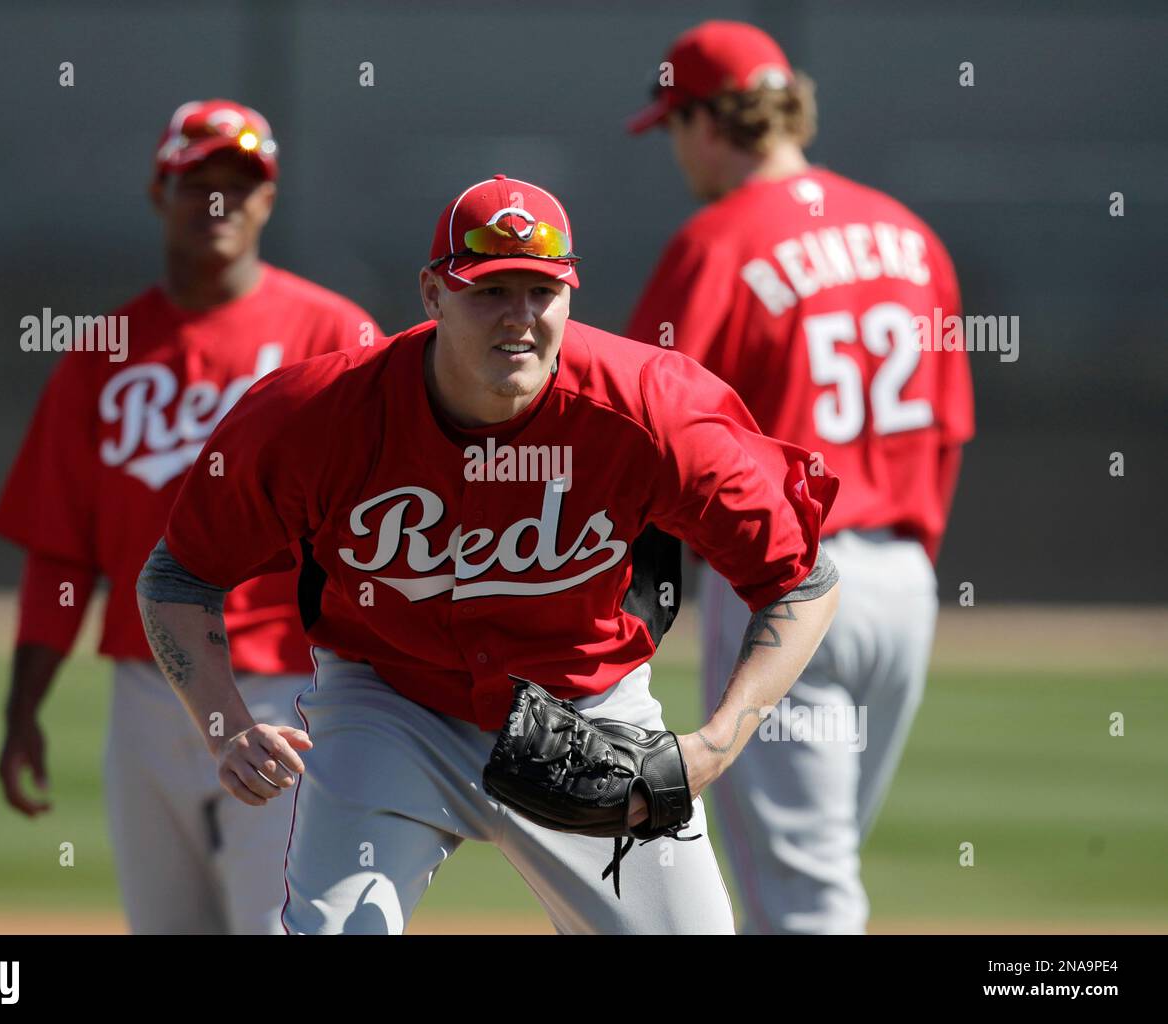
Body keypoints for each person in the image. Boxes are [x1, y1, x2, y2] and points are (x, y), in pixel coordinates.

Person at [135, 173, 841, 936]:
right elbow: (178, 575)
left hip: (589, 705)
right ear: (433, 296)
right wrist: (226, 724)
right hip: (389, 706)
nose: (520, 319)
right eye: (490, 290)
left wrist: (713, 745)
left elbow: (803, 584)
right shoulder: (316, 417)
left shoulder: (653, 409)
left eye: (542, 291)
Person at [0, 99, 381, 934]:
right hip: (144, 693)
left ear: (268, 200)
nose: (219, 204)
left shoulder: (334, 333)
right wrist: (23, 711)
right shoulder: (102, 352)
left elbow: (384, 529)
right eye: (199, 183)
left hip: (289, 690)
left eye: (240, 186)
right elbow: (60, 553)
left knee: (281, 925)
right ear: (159, 191)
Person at [626, 21, 975, 933]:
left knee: (802, 897)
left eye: (673, 124)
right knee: (821, 872)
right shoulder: (910, 235)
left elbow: (640, 426)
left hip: (787, 589)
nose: (675, 148)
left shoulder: (718, 242)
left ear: (710, 120)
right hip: (904, 583)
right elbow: (949, 428)